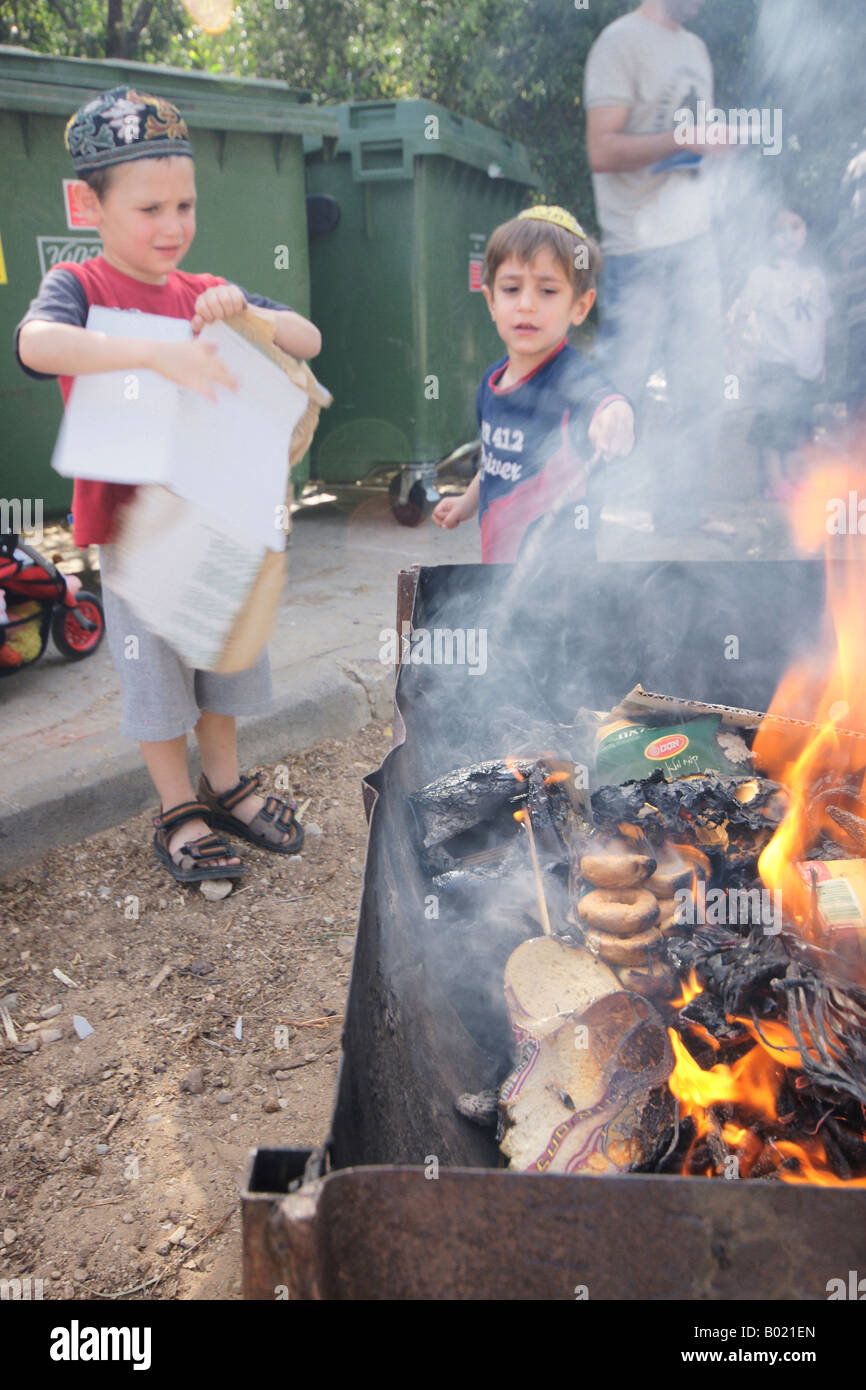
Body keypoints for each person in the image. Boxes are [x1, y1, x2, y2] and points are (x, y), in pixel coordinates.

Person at [15, 87, 322, 885]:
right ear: (90, 204)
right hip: (135, 532)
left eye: (184, 204)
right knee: (157, 675)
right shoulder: (81, 289)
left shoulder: (204, 289)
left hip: (223, 517)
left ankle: (224, 782)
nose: (173, 225)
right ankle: (178, 804)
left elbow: (307, 336)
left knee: (220, 659)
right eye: (149, 207)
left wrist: (247, 317)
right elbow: (38, 345)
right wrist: (152, 354)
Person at [584, 0, 732, 534]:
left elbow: (687, 149)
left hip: (696, 243)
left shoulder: (696, 50)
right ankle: (581, 520)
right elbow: (602, 149)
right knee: (621, 389)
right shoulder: (619, 42)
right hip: (637, 247)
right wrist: (685, 139)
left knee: (702, 388)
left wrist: (713, 148)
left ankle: (680, 518)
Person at [431, 205, 634, 561]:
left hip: (562, 580)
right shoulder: (490, 383)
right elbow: (495, 465)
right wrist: (467, 502)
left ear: (580, 307)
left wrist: (616, 414)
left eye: (548, 291)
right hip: (499, 570)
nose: (526, 304)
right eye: (511, 289)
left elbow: (603, 399)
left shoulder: (570, 378)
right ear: (491, 301)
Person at [727, 205, 832, 501]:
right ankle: (775, 483)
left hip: (806, 366)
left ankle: (794, 481)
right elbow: (741, 314)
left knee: (799, 425)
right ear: (768, 237)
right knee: (773, 424)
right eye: (779, 230)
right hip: (776, 363)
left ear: (806, 231)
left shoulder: (815, 276)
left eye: (795, 227)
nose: (788, 236)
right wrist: (735, 355)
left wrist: (820, 361)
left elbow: (822, 319)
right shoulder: (762, 275)